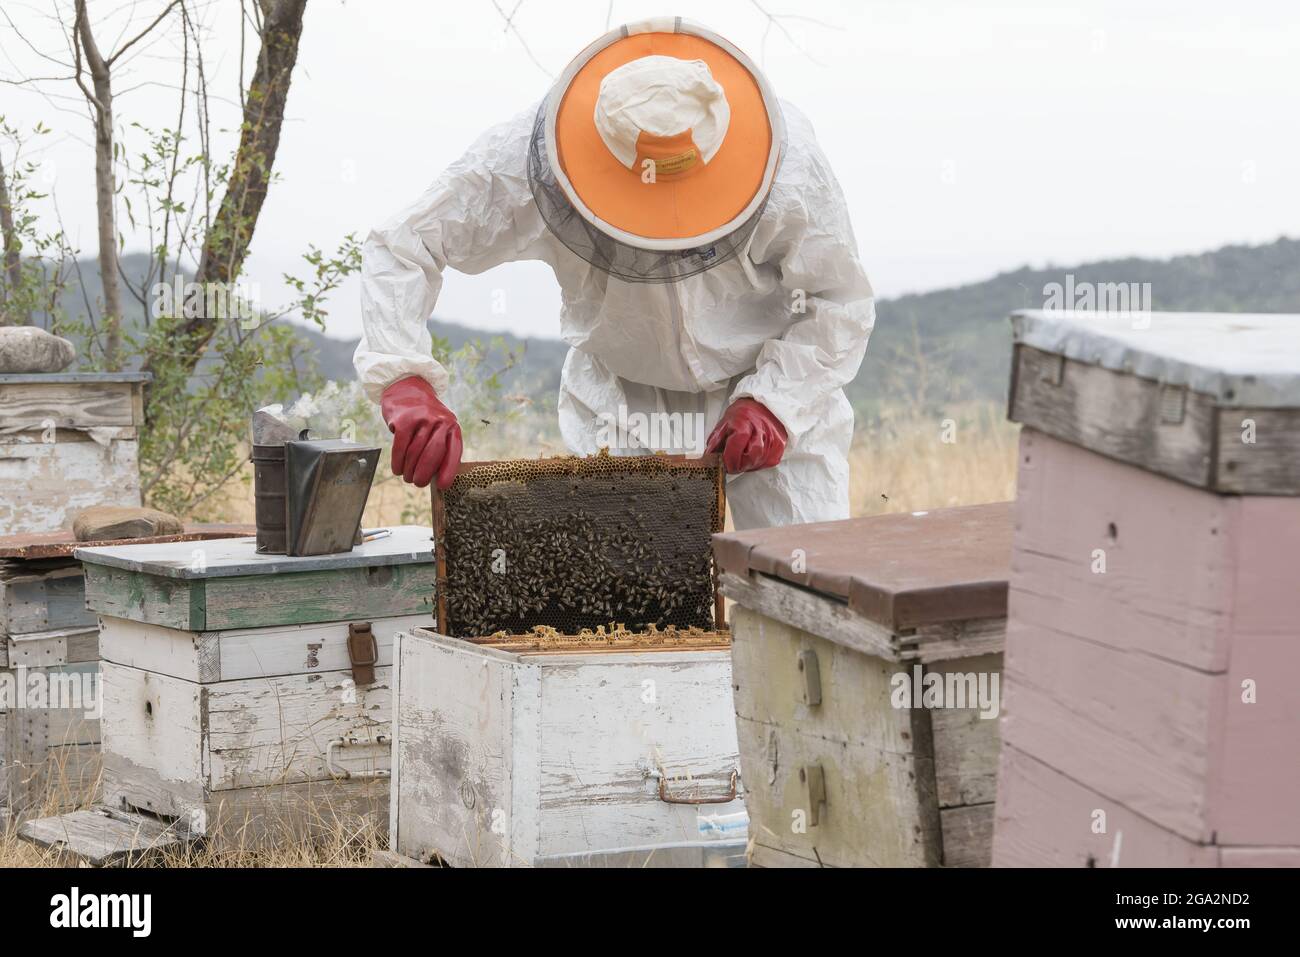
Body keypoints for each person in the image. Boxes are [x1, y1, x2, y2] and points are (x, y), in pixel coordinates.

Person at [354, 17, 873, 529]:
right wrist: (403, 377)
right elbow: (402, 244)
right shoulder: (523, 156)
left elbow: (838, 299)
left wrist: (775, 402)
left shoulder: (787, 162)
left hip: (774, 377)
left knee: (802, 586)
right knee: (639, 600)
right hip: (625, 402)